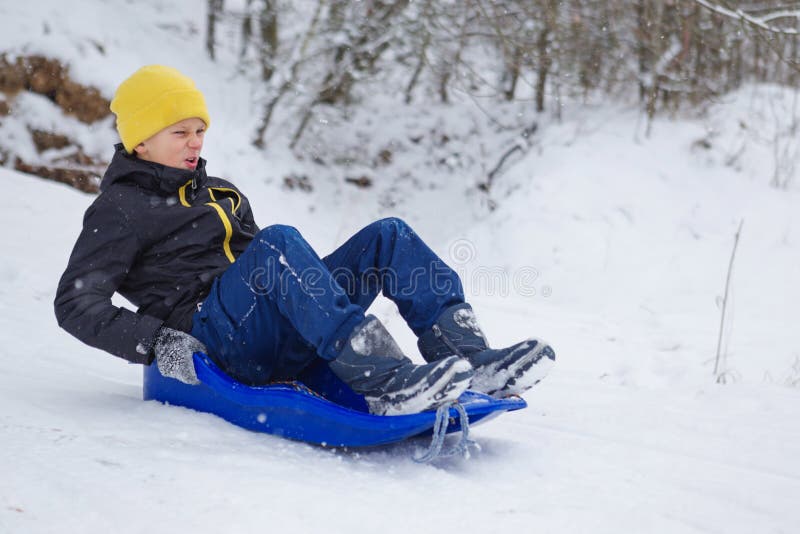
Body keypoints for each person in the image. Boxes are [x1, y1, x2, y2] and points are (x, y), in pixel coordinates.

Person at [54, 65, 555, 416]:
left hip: (266, 327)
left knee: (389, 237)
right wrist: (158, 342)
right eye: (180, 132)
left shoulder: (221, 193)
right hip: (216, 339)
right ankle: (383, 379)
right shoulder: (120, 210)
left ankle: (472, 357)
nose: (196, 142)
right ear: (141, 140)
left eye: (200, 129)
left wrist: (318, 290)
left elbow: (268, 273)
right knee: (278, 243)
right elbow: (76, 303)